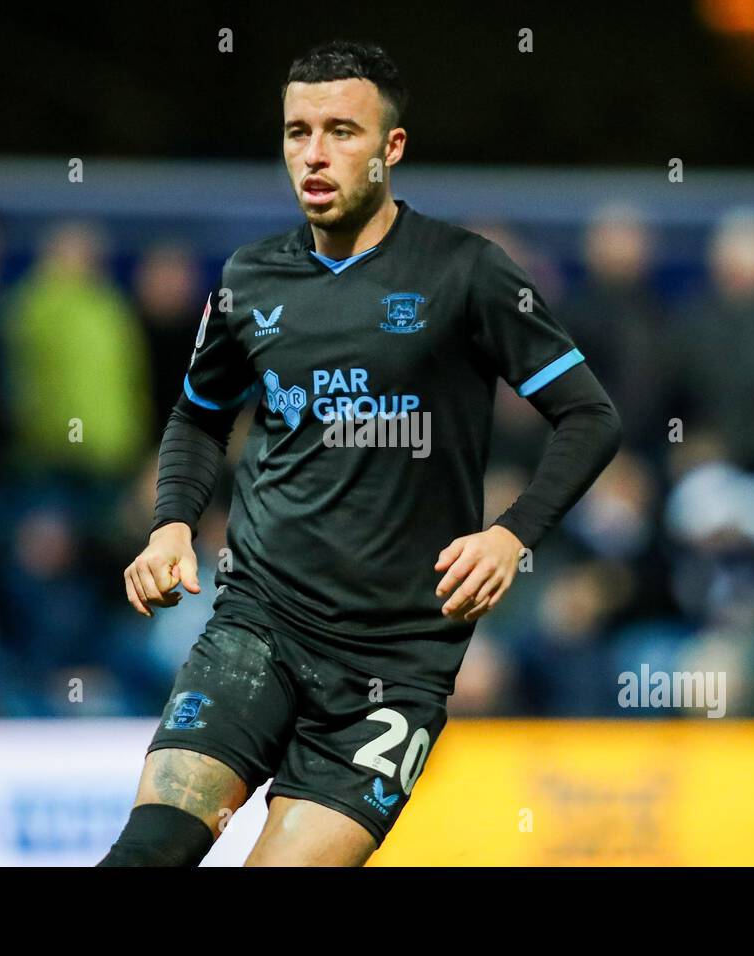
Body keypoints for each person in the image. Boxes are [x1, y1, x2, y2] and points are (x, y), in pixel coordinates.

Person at [99, 39, 621, 867]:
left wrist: (510, 534)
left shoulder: (468, 274)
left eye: (342, 130)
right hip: (259, 623)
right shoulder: (248, 280)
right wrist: (170, 525)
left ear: (391, 149)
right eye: (297, 131)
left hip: (399, 663)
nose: (314, 153)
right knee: (150, 850)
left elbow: (589, 416)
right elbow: (200, 419)